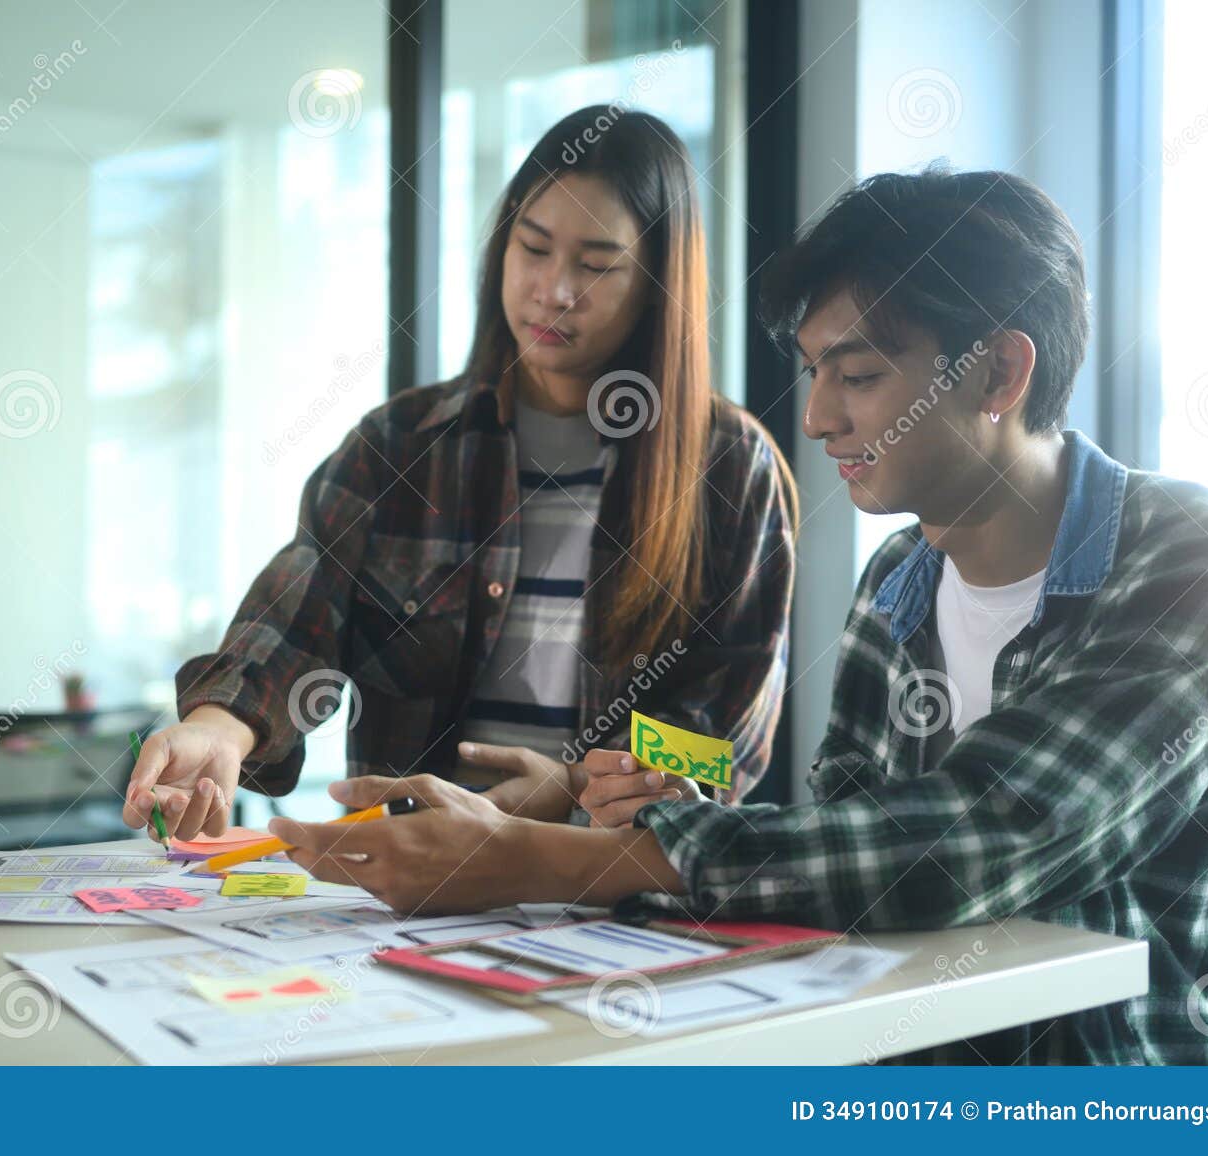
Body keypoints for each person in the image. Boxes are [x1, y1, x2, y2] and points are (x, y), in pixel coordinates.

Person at [269, 167, 1208, 1065]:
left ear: (1000, 374)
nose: (819, 418)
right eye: (814, 371)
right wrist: (624, 802)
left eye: (860, 374)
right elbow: (843, 839)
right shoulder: (899, 578)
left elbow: (994, 831)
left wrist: (549, 859)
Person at [123, 105, 797, 842]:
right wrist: (220, 727)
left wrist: (574, 786)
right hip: (410, 876)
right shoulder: (401, 447)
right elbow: (296, 619)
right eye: (532, 247)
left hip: (612, 887)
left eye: (597, 264)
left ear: (658, 284)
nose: (555, 289)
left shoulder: (730, 468)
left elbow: (723, 746)